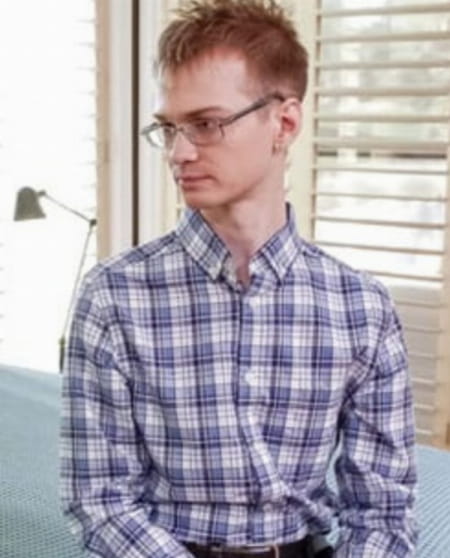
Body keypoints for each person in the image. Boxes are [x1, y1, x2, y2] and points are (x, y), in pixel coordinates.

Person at [60, 1, 418, 556]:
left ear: (285, 122)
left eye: (206, 124)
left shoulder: (362, 309)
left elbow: (383, 514)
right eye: (168, 128)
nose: (179, 153)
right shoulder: (112, 296)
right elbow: (101, 501)